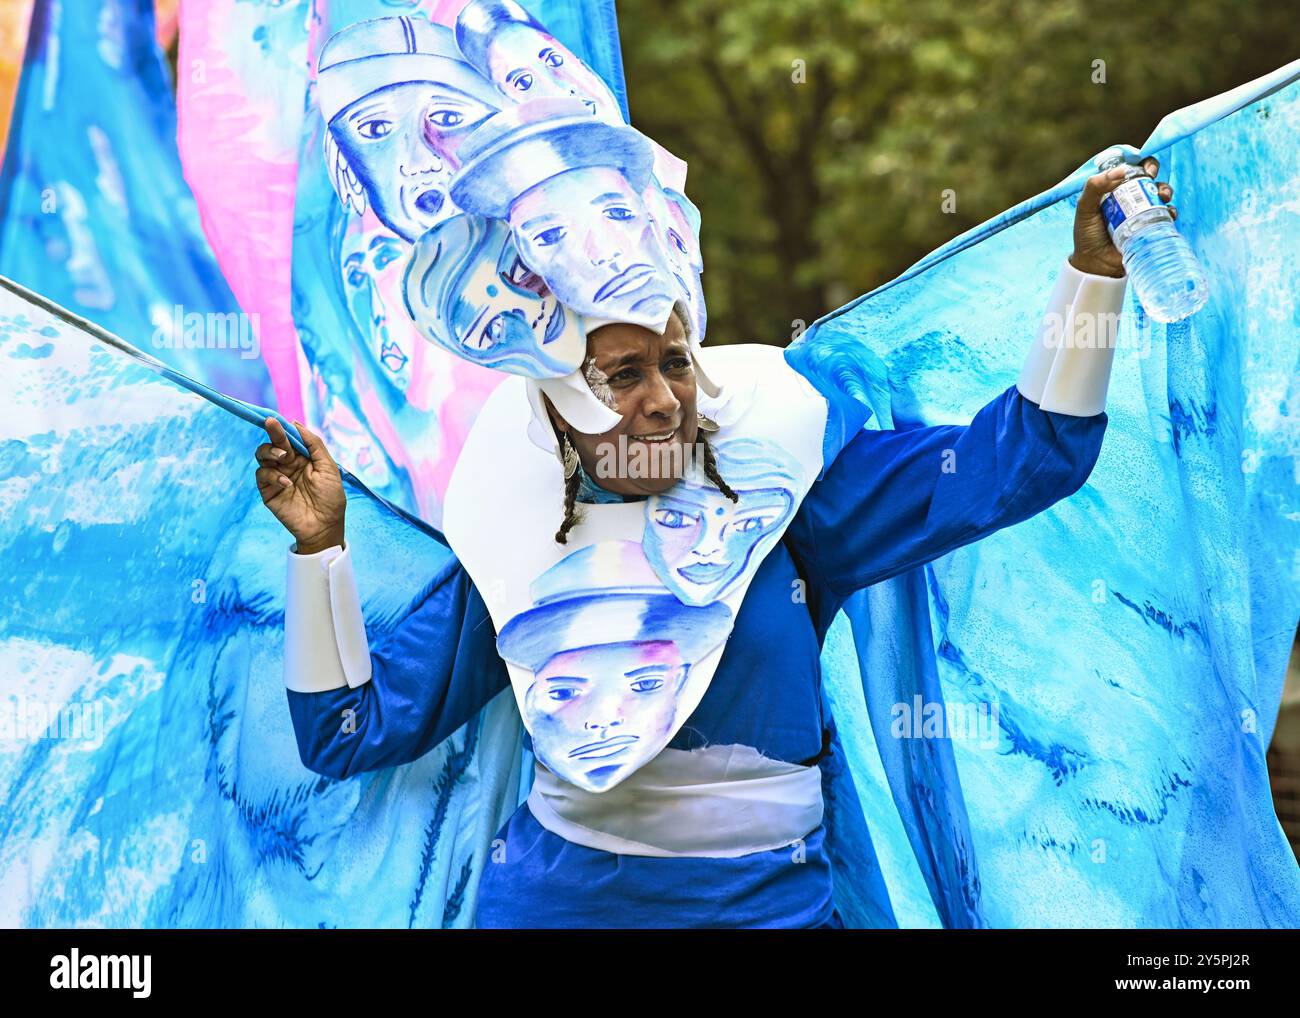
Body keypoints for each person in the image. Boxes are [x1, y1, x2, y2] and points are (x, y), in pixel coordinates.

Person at [253, 152, 1176, 929]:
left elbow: (1028, 457)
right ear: (557, 402)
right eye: (622, 374)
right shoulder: (513, 537)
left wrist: (1092, 277)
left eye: (674, 360)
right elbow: (346, 731)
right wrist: (318, 551)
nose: (662, 397)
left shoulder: (789, 495)